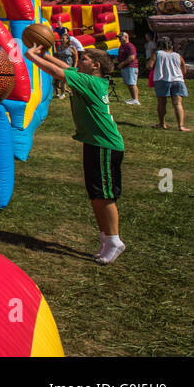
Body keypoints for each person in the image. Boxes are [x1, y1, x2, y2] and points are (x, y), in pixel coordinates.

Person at [26, 44, 127, 264]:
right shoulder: (86, 77)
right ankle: (106, 238)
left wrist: (31, 56)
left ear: (96, 65)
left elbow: (57, 72)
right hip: (95, 143)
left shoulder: (90, 81)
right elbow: (63, 66)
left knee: (104, 195)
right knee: (95, 194)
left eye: (84, 59)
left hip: (105, 146)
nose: (78, 61)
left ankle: (115, 240)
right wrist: (44, 54)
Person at [149, 36, 190, 131]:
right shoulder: (178, 55)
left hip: (162, 80)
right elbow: (184, 69)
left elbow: (149, 66)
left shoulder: (157, 54)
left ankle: (162, 123)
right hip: (178, 80)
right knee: (177, 104)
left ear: (159, 46)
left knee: (162, 103)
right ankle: (181, 126)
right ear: (171, 47)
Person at [115, 34, 140, 105]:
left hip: (131, 67)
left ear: (126, 37)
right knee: (129, 83)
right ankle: (133, 98)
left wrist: (122, 64)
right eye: (119, 37)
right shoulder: (122, 46)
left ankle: (136, 100)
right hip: (125, 67)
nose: (119, 38)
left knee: (132, 83)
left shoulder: (129, 46)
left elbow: (132, 57)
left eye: (121, 37)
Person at [53, 30, 77, 99]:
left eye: (64, 38)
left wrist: (74, 67)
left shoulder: (72, 47)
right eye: (62, 38)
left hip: (68, 66)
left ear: (67, 39)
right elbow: (57, 55)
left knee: (69, 81)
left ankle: (71, 93)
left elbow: (75, 58)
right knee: (61, 80)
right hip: (60, 65)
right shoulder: (59, 47)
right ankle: (62, 93)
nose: (63, 40)